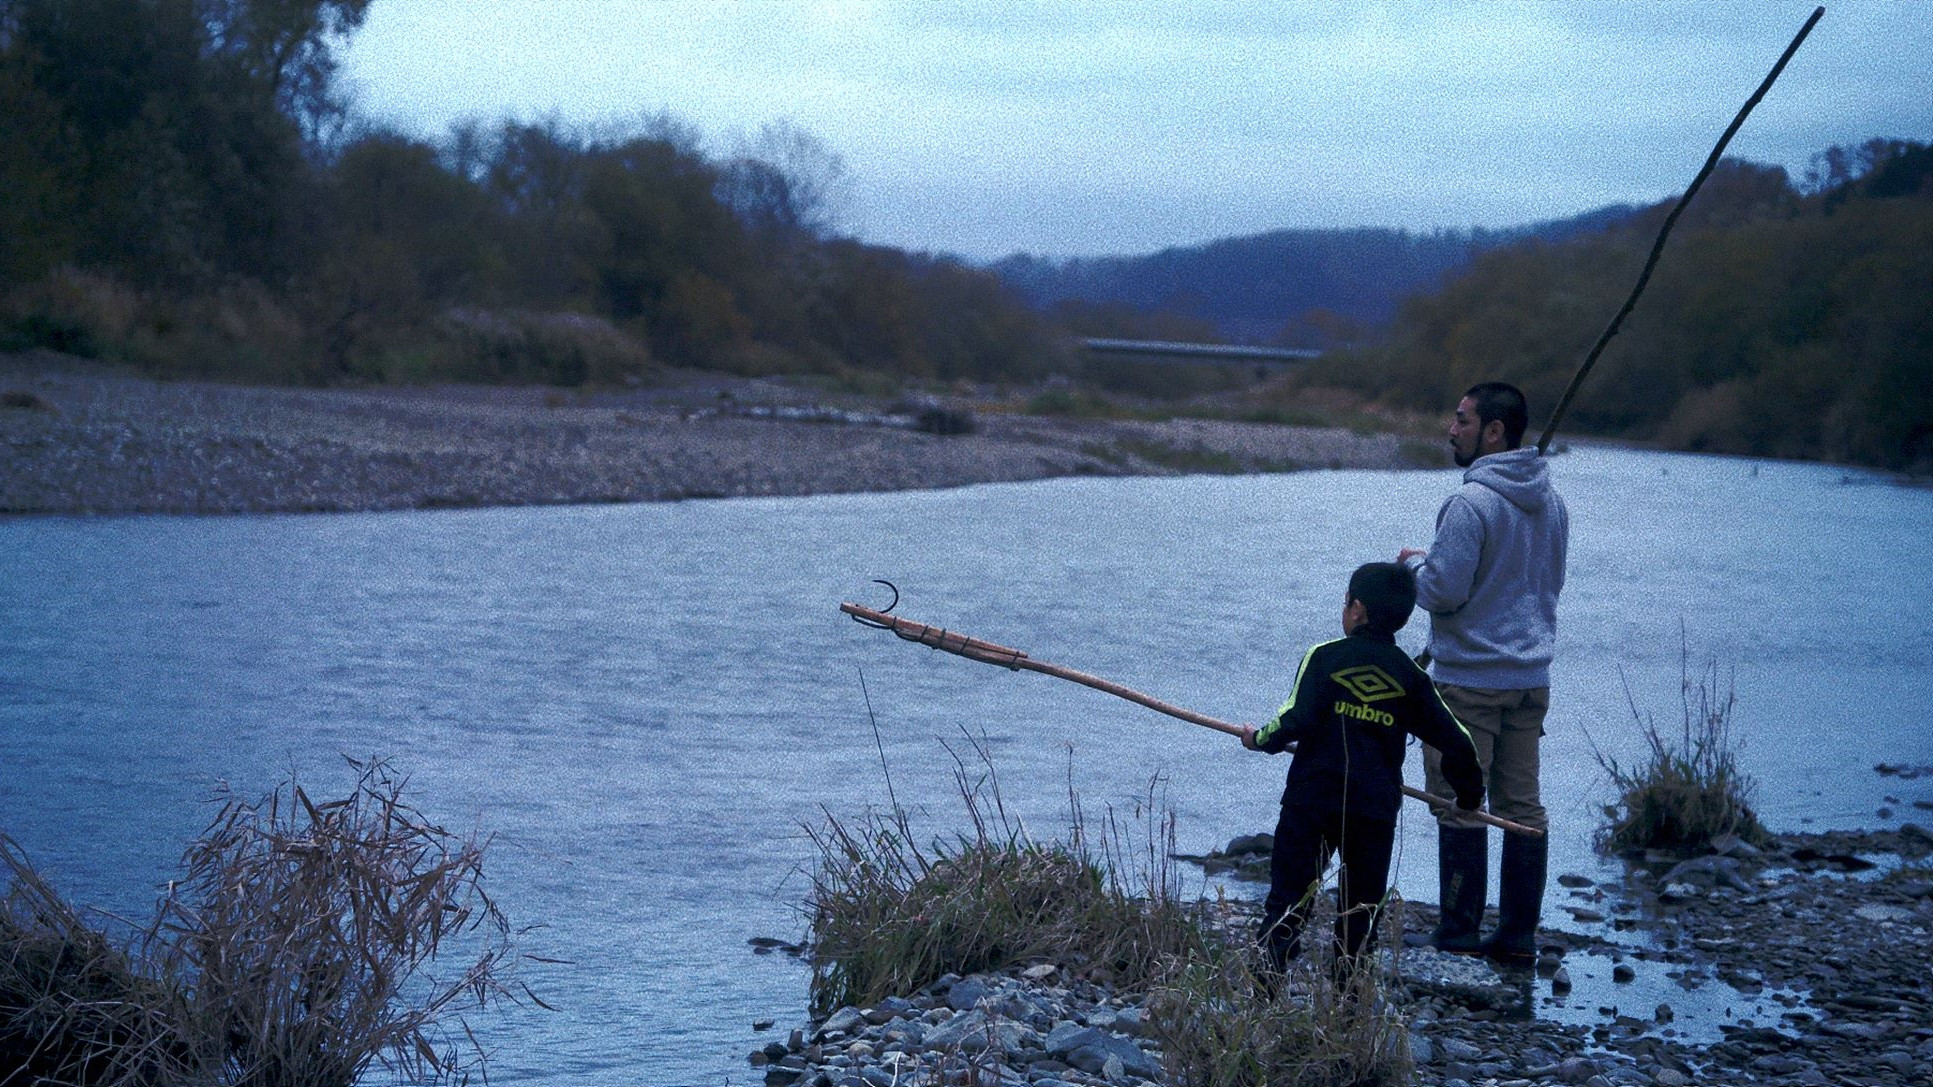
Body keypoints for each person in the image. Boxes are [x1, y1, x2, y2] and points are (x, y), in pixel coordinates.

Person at [1240, 562, 1484, 987]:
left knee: (1287, 902)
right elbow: (1459, 742)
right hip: (1373, 812)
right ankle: (1349, 1010)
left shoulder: (1324, 657)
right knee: (1361, 914)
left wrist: (1257, 739)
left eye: (1347, 600)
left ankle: (1263, 997)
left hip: (1311, 802)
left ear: (1356, 609)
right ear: (1405, 618)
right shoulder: (1411, 677)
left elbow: (1293, 719)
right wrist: (1467, 797)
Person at [1398, 381, 1568, 963]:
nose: (1451, 428)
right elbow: (1547, 586)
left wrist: (1412, 568)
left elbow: (1443, 593)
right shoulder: (1553, 503)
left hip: (1468, 681)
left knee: (1458, 801)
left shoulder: (1469, 504)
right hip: (1530, 679)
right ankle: (1517, 937)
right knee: (1523, 806)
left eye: (1463, 420)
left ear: (1494, 431)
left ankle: (1460, 932)